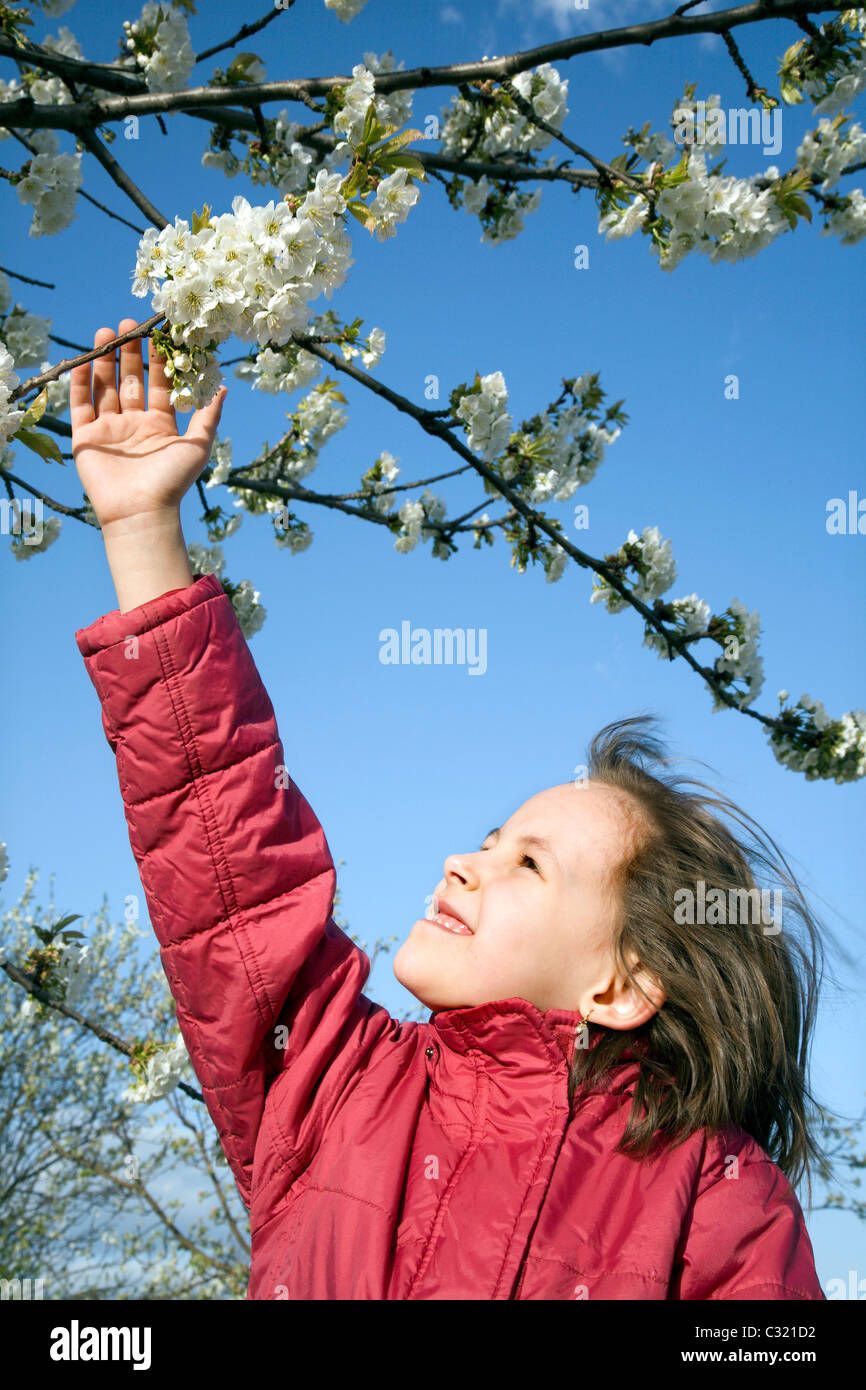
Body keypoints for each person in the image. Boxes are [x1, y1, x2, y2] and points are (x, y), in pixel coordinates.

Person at [70, 320, 827, 1300]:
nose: (460, 865)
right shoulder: (331, 1086)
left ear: (620, 983)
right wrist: (141, 535)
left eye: (527, 864)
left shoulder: (717, 1197)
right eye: (486, 841)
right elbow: (228, 872)